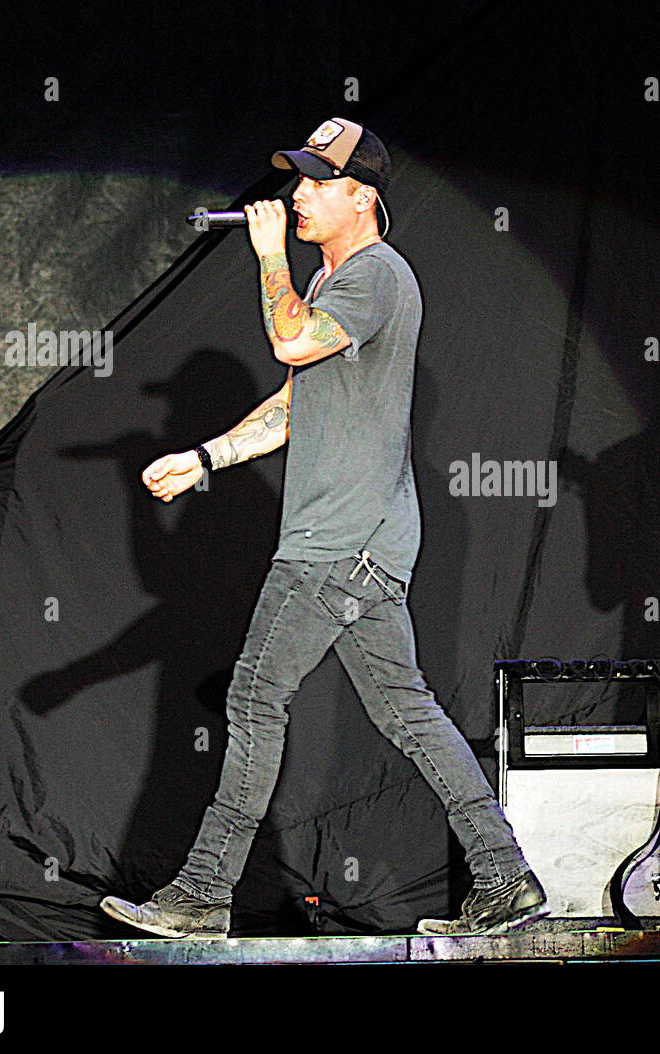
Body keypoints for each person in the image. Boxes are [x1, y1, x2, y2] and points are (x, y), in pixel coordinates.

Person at [100, 118, 547, 938]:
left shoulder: (375, 276)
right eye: (294, 181)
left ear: (362, 198)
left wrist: (270, 258)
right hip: (362, 543)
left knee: (255, 697)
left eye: (314, 182)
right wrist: (205, 459)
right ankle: (505, 874)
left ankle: (202, 893)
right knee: (409, 713)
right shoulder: (351, 286)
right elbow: (295, 405)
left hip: (337, 543)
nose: (295, 195)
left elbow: (291, 340)